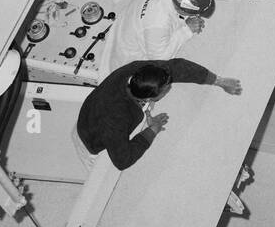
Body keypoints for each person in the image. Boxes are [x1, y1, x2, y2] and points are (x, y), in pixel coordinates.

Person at [73, 59, 241, 171]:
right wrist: (151, 131)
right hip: (92, 142)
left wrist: (219, 81)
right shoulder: (115, 117)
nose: (170, 87)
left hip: (100, 113)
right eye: (166, 90)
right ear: (149, 97)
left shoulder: (139, 71)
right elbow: (122, 160)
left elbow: (178, 67)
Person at [109, 0, 275, 71]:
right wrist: (185, 31)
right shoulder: (158, 25)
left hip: (129, 19)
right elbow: (160, 58)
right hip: (126, 51)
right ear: (182, 11)